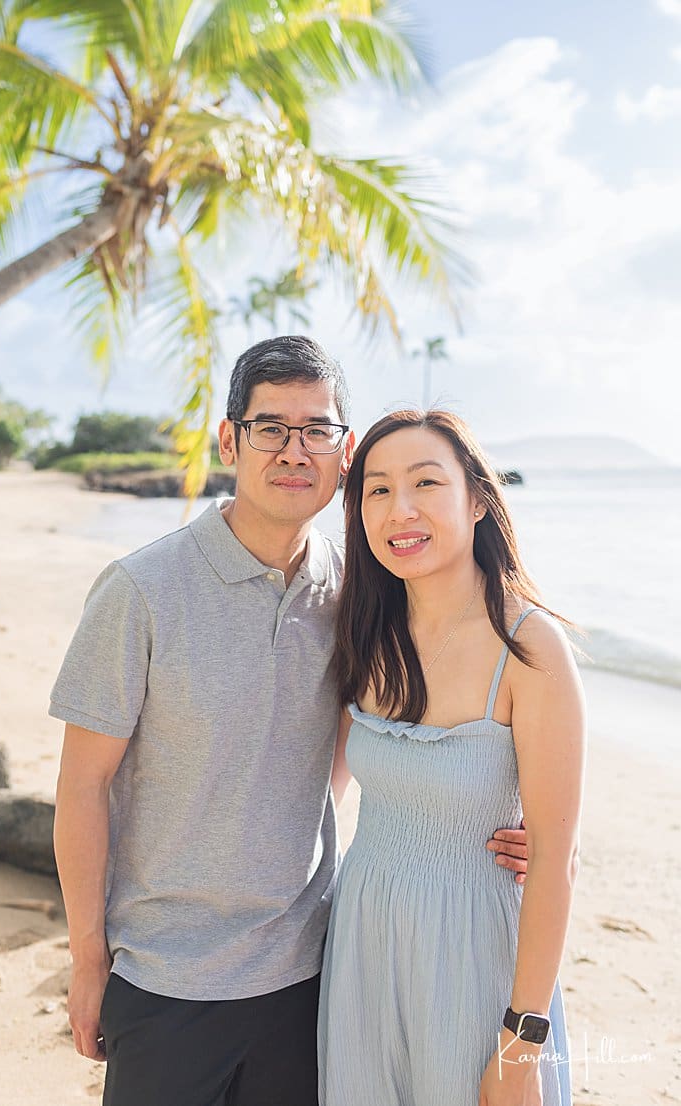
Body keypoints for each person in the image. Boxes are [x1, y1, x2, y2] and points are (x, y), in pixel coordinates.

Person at [49, 336, 530, 1106]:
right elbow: (81, 786)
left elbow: (403, 734)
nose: (293, 449)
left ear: (344, 453)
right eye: (271, 426)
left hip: (311, 976)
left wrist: (503, 824)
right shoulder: (140, 590)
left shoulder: (359, 597)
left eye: (317, 429)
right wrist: (85, 962)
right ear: (229, 439)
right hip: (166, 979)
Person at [319, 409, 581, 1106]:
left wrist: (522, 1044)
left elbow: (556, 858)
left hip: (474, 960)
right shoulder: (365, 633)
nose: (399, 510)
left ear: (478, 499)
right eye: (376, 489)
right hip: (364, 950)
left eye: (425, 483)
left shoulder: (531, 648)